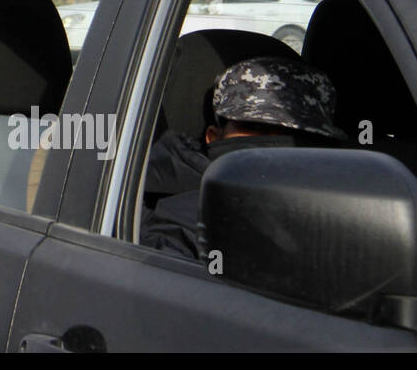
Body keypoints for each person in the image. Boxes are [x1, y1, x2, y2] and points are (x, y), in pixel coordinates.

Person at [139, 56, 346, 259]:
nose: (272, 143)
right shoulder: (174, 215)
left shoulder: (342, 208)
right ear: (214, 136)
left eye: (296, 135)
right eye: (254, 127)